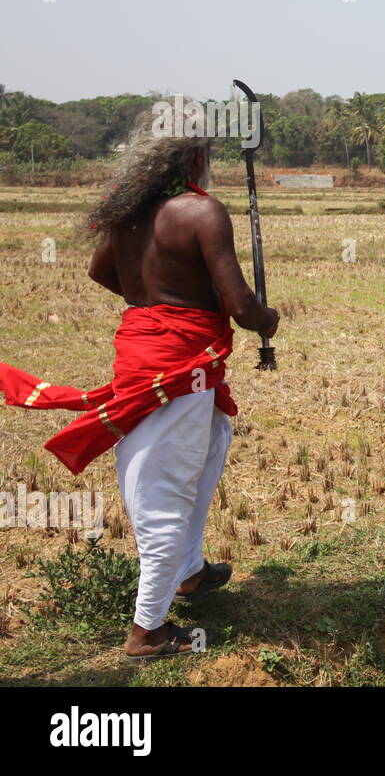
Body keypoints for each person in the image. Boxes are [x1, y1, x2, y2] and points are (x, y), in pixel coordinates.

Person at [1, 110, 279, 659]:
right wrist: (266, 322)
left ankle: (191, 572)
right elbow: (239, 305)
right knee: (166, 493)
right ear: (196, 158)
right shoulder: (201, 211)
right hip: (177, 366)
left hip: (144, 353)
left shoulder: (127, 216)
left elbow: (101, 272)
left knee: (209, 452)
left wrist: (151, 301)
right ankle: (147, 631)